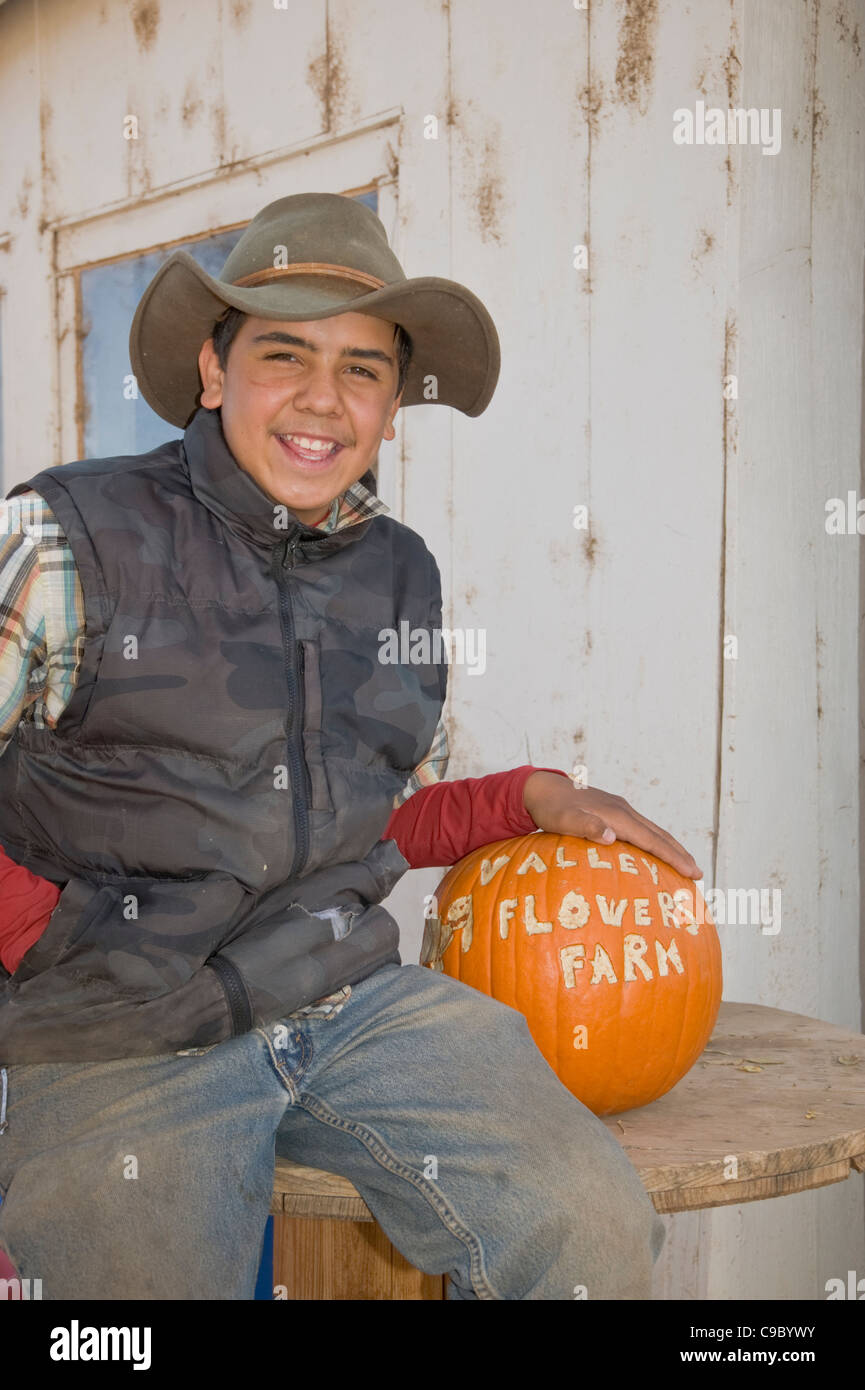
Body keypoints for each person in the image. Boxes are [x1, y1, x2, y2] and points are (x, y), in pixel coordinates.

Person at [0, 192, 698, 1299]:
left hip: (351, 1002)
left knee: (586, 1231)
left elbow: (378, 808)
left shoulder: (401, 575)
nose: (324, 399)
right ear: (214, 369)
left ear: (391, 403)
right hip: (114, 1031)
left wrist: (530, 797)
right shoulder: (68, 536)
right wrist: (43, 930)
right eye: (286, 354)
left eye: (364, 368)